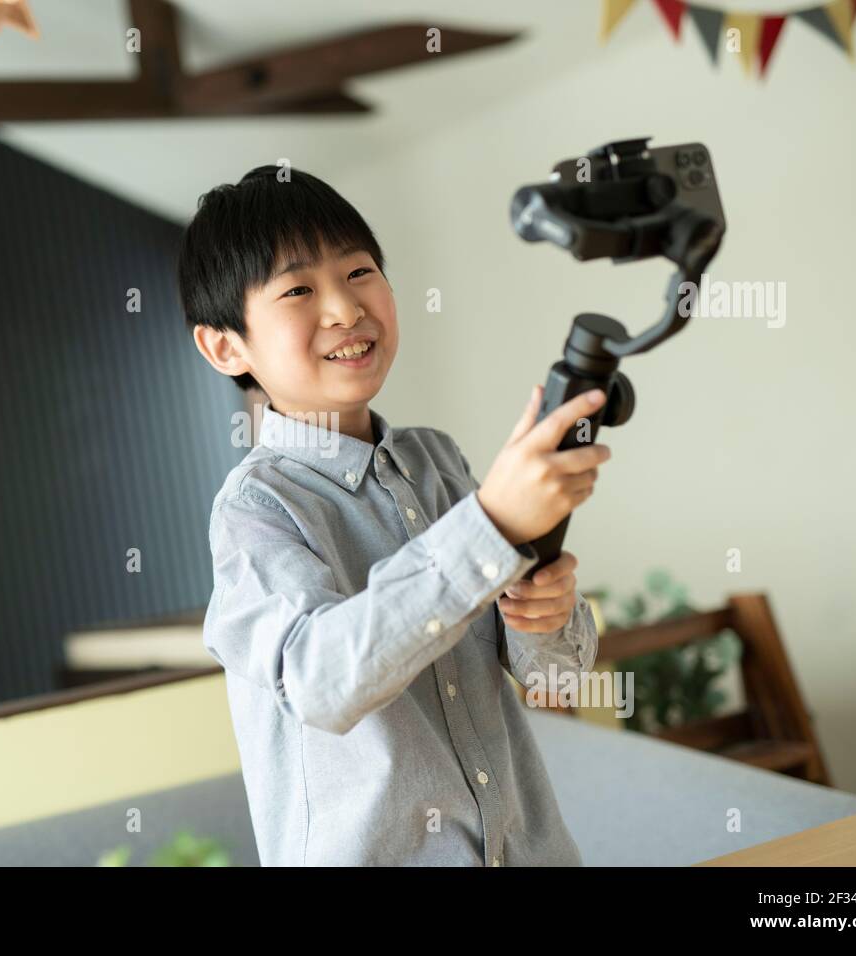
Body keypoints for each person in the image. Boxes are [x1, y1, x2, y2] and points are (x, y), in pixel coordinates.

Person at [180, 164, 611, 866]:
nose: (345, 310)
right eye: (298, 289)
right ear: (227, 347)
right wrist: (491, 527)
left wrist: (549, 614)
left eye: (359, 273)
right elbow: (324, 682)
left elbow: (553, 679)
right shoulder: (254, 511)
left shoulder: (436, 462)